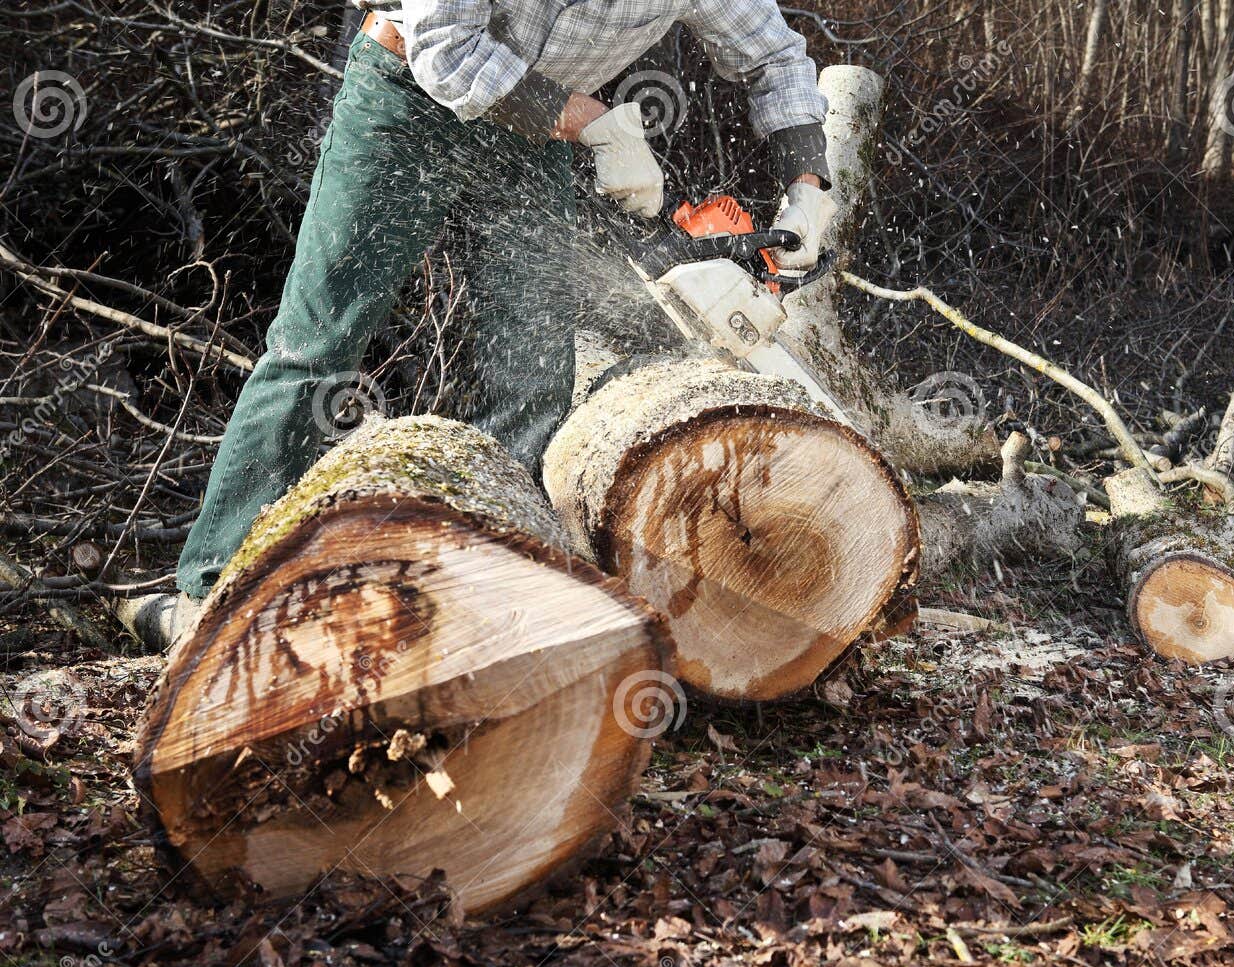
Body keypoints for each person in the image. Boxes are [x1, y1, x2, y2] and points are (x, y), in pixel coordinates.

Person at [129, 0, 836, 650]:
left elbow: (773, 58)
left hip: (536, 135)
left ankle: (480, 596)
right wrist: (598, 124)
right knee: (318, 344)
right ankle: (209, 593)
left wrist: (807, 189)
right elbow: (447, 50)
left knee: (529, 373)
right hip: (408, 99)